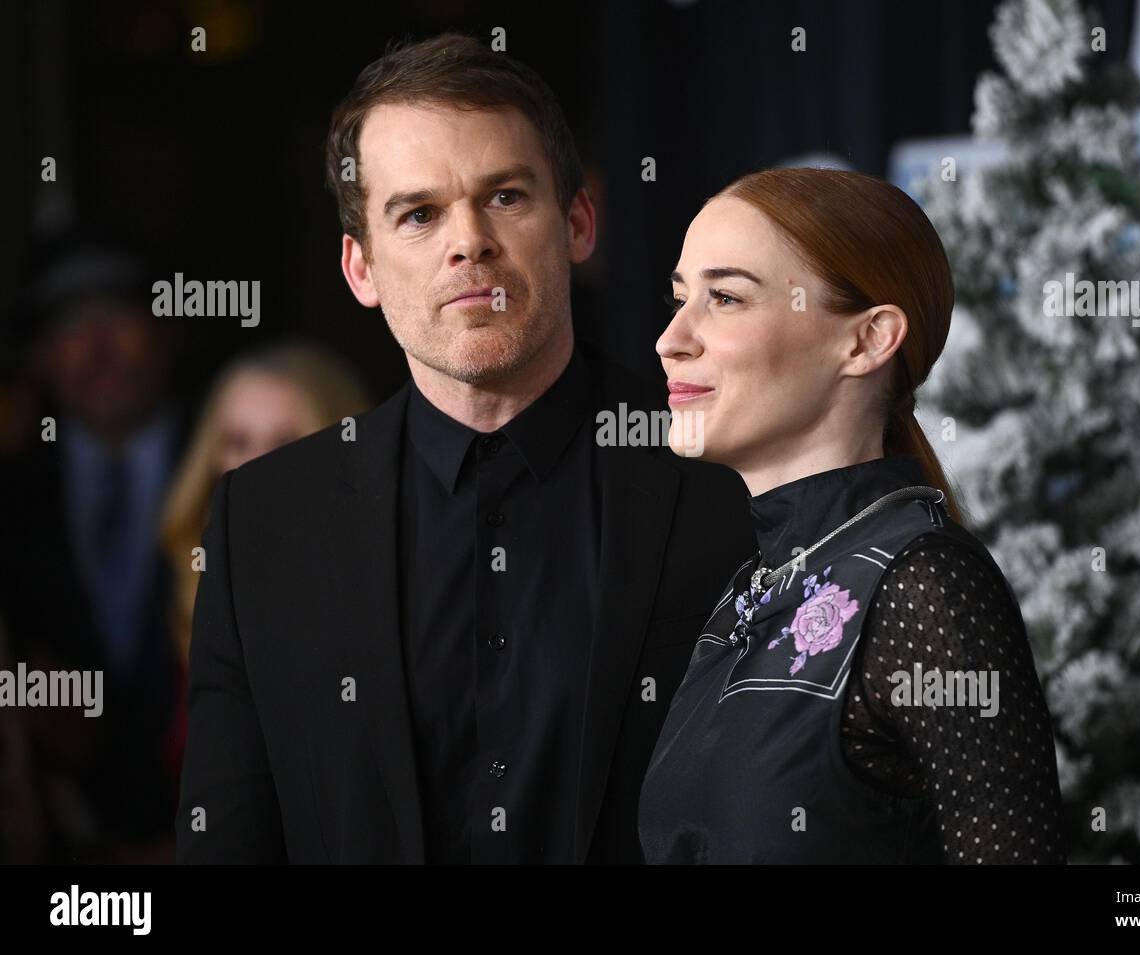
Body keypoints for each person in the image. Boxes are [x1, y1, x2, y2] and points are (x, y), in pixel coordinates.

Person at [174, 34, 755, 864]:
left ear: (579, 221)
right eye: (419, 214)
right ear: (361, 269)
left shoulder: (727, 474)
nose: (469, 241)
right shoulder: (264, 522)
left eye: (506, 196)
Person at [638, 167, 1067, 864]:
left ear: (867, 341)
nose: (672, 338)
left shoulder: (929, 586)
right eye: (681, 297)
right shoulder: (750, 587)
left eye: (725, 297)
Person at [0, 240, 188, 863]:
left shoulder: (238, 458)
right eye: (72, 324)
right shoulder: (11, 493)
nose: (98, 345)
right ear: (39, 357)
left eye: (119, 315)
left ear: (167, 332)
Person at [158, 342, 371, 803]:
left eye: (285, 442)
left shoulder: (379, 601)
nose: (255, 466)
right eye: (237, 442)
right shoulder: (179, 586)